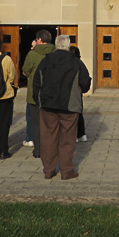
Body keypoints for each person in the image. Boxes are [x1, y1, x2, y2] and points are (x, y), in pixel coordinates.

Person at [33, 34, 91, 180]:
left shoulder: (45, 61)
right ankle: (66, 171)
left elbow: (36, 83)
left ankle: (48, 170)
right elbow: (85, 84)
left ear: (56, 45)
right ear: (68, 45)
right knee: (67, 139)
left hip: (48, 106)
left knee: (48, 138)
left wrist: (39, 101)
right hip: (69, 106)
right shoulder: (76, 62)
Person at [22, 30, 55, 157]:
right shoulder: (55, 52)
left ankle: (38, 150)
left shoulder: (33, 54)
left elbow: (25, 71)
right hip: (52, 93)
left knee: (36, 123)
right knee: (50, 122)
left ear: (40, 40)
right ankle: (51, 148)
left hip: (35, 93)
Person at [69, 45, 88, 143]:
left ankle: (76, 135)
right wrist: (83, 89)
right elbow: (85, 80)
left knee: (71, 115)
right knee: (78, 113)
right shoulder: (80, 63)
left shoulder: (68, 63)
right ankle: (81, 134)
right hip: (77, 93)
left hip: (69, 93)